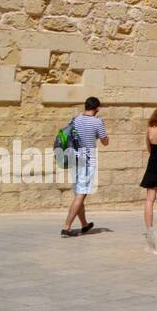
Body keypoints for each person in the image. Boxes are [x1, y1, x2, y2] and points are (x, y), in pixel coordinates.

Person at [61, 97, 107, 238]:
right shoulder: (97, 122)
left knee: (78, 194)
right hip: (87, 162)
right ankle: (67, 227)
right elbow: (105, 141)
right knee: (81, 195)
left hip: (75, 160)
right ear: (97, 108)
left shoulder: (75, 120)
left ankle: (84, 225)